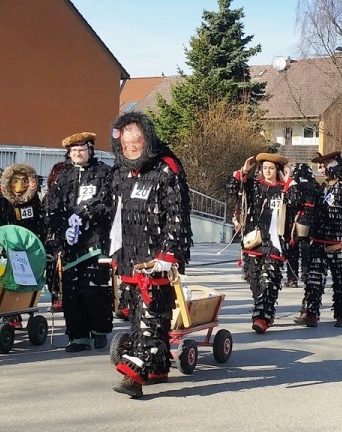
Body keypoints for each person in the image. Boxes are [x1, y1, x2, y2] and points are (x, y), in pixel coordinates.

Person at [109, 112, 192, 399]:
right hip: (130, 258)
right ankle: (157, 367)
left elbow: (177, 215)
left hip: (156, 261)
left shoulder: (166, 169)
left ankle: (135, 375)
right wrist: (114, 251)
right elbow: (115, 217)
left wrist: (169, 254)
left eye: (137, 142)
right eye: (127, 144)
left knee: (151, 317)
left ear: (147, 140)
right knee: (136, 317)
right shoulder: (120, 173)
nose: (131, 148)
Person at [46, 132, 113, 352]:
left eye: (82, 150)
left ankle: (100, 329)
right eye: (74, 151)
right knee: (72, 291)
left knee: (94, 288)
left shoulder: (104, 173)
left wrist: (84, 213)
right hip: (70, 245)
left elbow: (108, 202)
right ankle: (78, 336)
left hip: (96, 240)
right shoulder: (62, 178)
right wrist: (64, 227)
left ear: (90, 150)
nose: (78, 154)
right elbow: (52, 210)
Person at [227, 152, 295, 334]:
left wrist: (288, 182)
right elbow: (232, 189)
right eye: (265, 168)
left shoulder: (285, 189)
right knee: (254, 279)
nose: (267, 171)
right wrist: (243, 171)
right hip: (254, 241)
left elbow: (296, 203)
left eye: (271, 168)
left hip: (274, 242)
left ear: (278, 170)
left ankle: (262, 318)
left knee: (269, 281)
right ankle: (265, 312)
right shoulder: (255, 186)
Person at [294, 151, 342, 327]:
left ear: (334, 167)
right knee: (313, 278)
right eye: (319, 167)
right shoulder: (320, 189)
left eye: (324, 166)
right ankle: (310, 312)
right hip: (319, 240)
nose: (321, 170)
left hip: (339, 243)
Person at [0, 163, 44, 240]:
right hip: (3, 241)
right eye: (15, 181)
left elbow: (37, 220)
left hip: (26, 241)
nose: (19, 188)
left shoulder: (32, 197)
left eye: (24, 181)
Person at [43, 161, 68, 312]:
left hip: (67, 236)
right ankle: (55, 297)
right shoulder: (48, 197)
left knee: (66, 269)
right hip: (51, 238)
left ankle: (66, 298)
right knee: (52, 269)